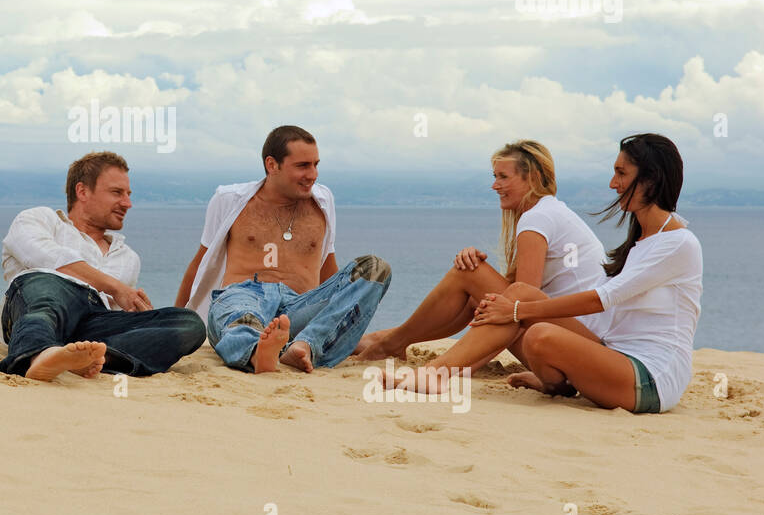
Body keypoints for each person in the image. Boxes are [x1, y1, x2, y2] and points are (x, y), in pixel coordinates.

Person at [410, 133, 701, 414]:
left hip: (650, 378)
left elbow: (601, 299)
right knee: (522, 295)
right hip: (614, 355)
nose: (613, 184)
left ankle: (437, 372)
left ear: (650, 179)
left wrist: (517, 311)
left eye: (621, 174)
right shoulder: (642, 242)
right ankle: (446, 370)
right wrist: (516, 305)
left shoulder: (678, 244)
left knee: (539, 335)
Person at [355, 140, 607, 365]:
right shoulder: (552, 211)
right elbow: (518, 296)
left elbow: (521, 305)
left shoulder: (537, 218)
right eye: (495, 176)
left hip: (568, 345)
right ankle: (386, 340)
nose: (494, 185)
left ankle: (388, 344)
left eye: (503, 177)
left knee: (470, 273)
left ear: (531, 178)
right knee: (476, 284)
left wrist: (470, 362)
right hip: (580, 340)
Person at [176, 126, 391, 373]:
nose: (313, 174)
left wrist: (341, 306)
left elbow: (327, 269)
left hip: (300, 307)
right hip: (244, 296)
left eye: (315, 165)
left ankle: (303, 346)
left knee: (375, 269)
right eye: (302, 166)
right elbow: (201, 264)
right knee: (242, 318)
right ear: (272, 165)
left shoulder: (323, 202)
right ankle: (258, 352)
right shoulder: (229, 199)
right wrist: (177, 322)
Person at [0, 151, 206, 382]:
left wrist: (137, 313)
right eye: (117, 193)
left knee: (188, 323)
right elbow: (46, 258)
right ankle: (39, 355)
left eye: (128, 194)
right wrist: (115, 287)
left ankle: (95, 359)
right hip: (41, 310)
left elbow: (113, 315)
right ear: (82, 191)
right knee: (46, 284)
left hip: (92, 325)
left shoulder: (128, 257)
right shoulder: (41, 219)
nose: (127, 203)